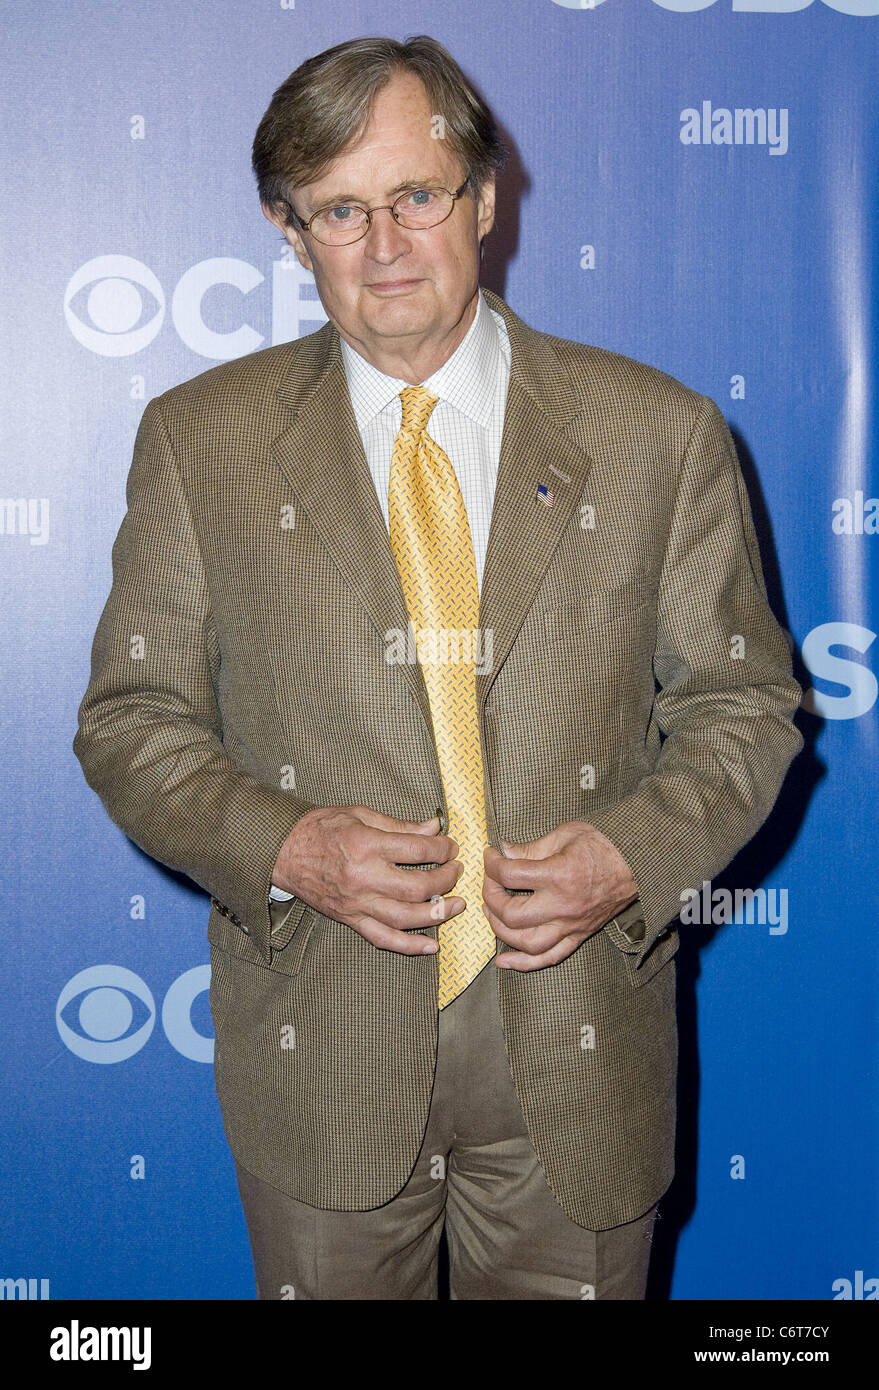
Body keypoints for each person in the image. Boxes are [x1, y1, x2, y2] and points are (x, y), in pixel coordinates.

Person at [73, 34, 803, 1300]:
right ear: (290, 234)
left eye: (417, 196)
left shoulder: (659, 435)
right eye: (341, 212)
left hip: (579, 1041)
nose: (387, 244)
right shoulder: (201, 442)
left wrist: (628, 855)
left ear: (485, 197)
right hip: (325, 1051)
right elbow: (134, 722)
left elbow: (746, 708)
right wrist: (290, 846)